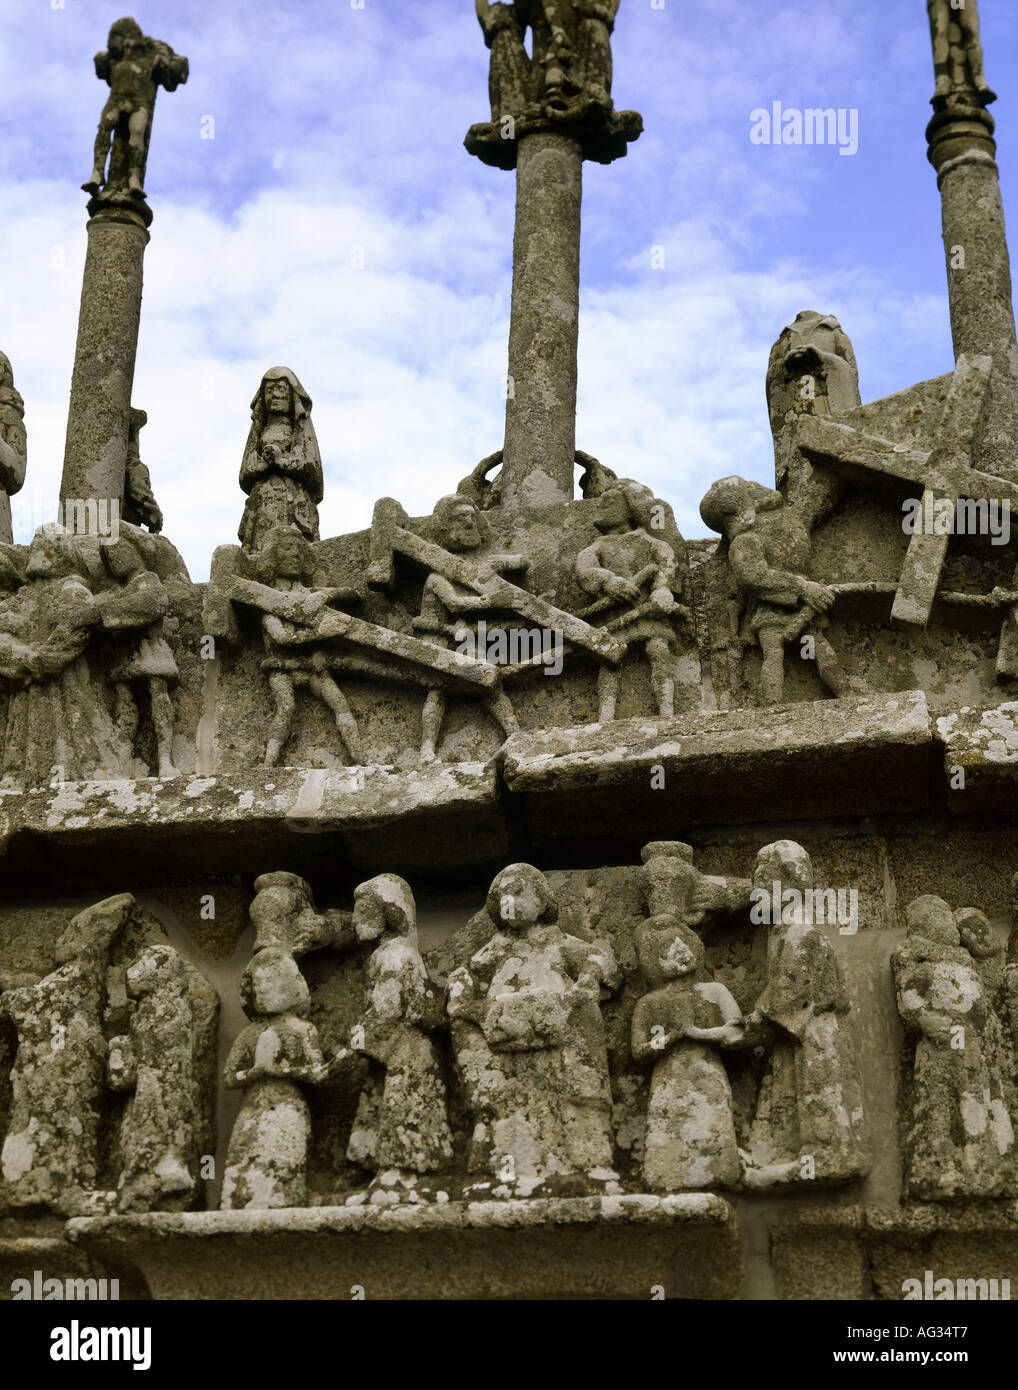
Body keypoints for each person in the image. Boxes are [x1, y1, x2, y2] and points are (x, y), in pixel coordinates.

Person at [448, 862, 619, 1185]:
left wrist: (586, 981)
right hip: (509, 1034)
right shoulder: (497, 948)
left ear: (541, 903)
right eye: (501, 898)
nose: (508, 902)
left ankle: (584, 1157)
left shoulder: (556, 941)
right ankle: (510, 1162)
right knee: (514, 1097)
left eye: (517, 893)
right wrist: (461, 991)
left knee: (563, 1087)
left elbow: (599, 961)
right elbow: (465, 974)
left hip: (556, 1029)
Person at [575, 479, 688, 721]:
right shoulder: (596, 548)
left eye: (611, 502)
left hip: (647, 610)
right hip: (613, 615)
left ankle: (666, 710)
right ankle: (606, 716)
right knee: (610, 659)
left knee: (658, 650)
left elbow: (666, 564)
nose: (601, 507)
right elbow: (586, 570)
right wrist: (610, 582)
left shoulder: (650, 543)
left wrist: (662, 589)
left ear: (630, 508)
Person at [256, 526, 363, 767]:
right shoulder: (266, 598)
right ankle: (268, 762)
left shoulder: (311, 594)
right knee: (285, 708)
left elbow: (353, 594)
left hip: (312, 665)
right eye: (286, 549)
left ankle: (360, 758)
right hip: (282, 667)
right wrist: (319, 633)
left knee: (340, 704)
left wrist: (326, 595)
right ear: (273, 556)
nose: (294, 555)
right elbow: (281, 638)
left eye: (298, 550)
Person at [82, 18, 188, 197]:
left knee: (137, 132)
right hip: (117, 99)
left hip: (138, 102)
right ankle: (97, 174)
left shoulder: (151, 54)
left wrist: (158, 49)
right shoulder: (115, 59)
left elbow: (175, 70)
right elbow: (100, 63)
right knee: (104, 128)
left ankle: (134, 178)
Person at [239, 368, 323, 553]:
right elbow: (244, 472)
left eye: (281, 389)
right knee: (260, 552)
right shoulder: (260, 430)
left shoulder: (300, 428)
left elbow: (312, 469)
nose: (275, 394)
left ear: (291, 395)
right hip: (262, 503)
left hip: (292, 500)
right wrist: (263, 465)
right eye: (269, 390)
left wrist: (281, 461)